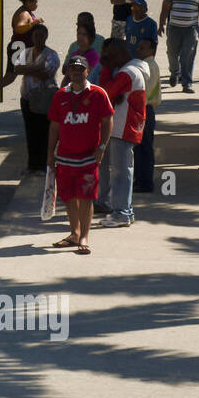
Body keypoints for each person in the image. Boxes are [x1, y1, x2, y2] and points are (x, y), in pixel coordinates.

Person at [47, 54, 114, 255]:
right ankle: (74, 233)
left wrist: (102, 147)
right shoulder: (60, 96)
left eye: (81, 69)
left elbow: (108, 120)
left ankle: (84, 236)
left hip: (88, 159)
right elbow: (54, 127)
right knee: (68, 197)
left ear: (87, 71)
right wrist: (50, 153)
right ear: (68, 72)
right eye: (73, 69)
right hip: (65, 159)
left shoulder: (98, 94)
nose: (77, 72)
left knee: (86, 197)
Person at [97, 39, 148, 227]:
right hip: (124, 126)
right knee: (121, 171)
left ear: (119, 53)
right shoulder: (128, 71)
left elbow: (104, 93)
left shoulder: (127, 72)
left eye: (109, 55)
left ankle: (122, 213)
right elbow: (112, 94)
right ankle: (124, 210)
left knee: (120, 172)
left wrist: (105, 68)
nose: (106, 58)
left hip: (123, 127)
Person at [3, 23, 59, 173]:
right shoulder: (25, 52)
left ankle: (44, 165)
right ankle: (32, 165)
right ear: (32, 37)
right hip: (27, 99)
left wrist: (27, 69)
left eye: (41, 36)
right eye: (35, 36)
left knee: (44, 132)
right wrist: (37, 68)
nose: (38, 38)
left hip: (44, 99)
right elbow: (17, 68)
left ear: (46, 36)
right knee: (30, 132)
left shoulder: (51, 54)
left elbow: (47, 74)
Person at [133, 37, 161, 193]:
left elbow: (145, 91)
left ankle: (145, 181)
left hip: (145, 109)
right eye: (138, 47)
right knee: (140, 147)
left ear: (151, 51)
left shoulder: (150, 66)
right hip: (143, 109)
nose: (138, 50)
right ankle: (140, 179)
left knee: (144, 147)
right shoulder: (145, 65)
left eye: (142, 48)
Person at [8, 0, 43, 68]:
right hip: (19, 48)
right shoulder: (24, 14)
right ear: (28, 2)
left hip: (23, 48)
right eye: (36, 2)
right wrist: (33, 23)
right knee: (11, 75)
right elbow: (18, 28)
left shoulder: (26, 11)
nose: (37, 4)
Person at [66, 14, 103, 85]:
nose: (80, 37)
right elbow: (66, 75)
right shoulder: (75, 53)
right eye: (79, 34)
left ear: (91, 37)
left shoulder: (93, 55)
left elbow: (90, 78)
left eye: (84, 34)